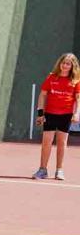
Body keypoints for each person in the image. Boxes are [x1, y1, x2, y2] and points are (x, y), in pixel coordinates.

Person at [32, 52, 80, 180]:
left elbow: (78, 98)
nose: (65, 66)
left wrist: (77, 113)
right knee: (46, 141)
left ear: (72, 66)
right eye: (63, 63)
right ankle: (43, 169)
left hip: (66, 115)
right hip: (50, 114)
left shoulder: (75, 81)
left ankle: (59, 170)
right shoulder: (51, 77)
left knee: (61, 142)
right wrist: (40, 114)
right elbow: (42, 95)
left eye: (68, 64)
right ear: (60, 64)